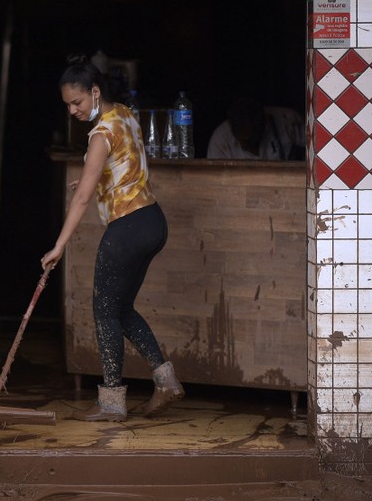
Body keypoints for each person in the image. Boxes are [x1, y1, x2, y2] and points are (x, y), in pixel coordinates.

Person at [41, 55, 184, 422]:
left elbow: (84, 197)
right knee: (121, 309)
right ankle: (165, 380)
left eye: (77, 102)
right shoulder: (122, 114)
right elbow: (127, 162)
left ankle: (111, 401)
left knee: (104, 311)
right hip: (153, 221)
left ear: (94, 91)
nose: (72, 110)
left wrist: (60, 244)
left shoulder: (100, 135)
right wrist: (96, 177)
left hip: (126, 228)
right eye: (67, 105)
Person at [206, 96, 305, 161]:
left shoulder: (287, 121)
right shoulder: (220, 141)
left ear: (262, 126)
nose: (244, 145)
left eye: (250, 140)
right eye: (241, 139)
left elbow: (315, 146)